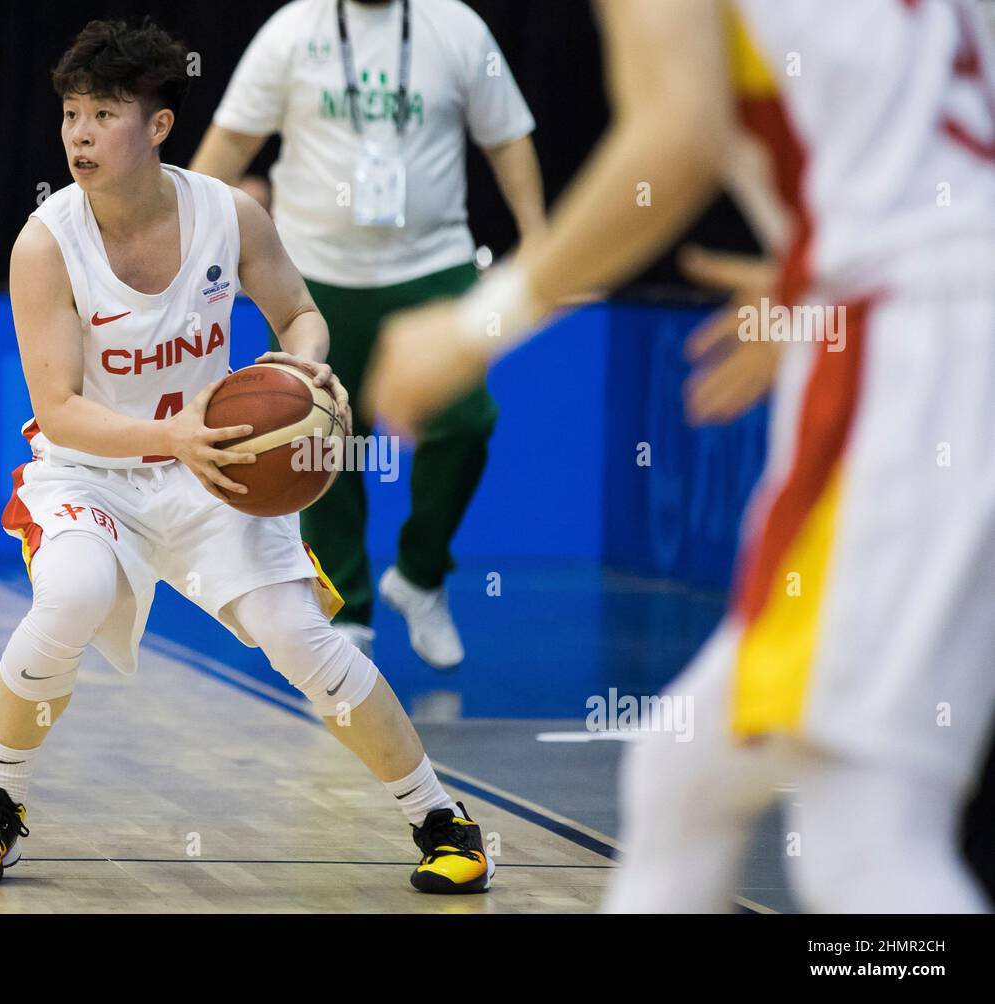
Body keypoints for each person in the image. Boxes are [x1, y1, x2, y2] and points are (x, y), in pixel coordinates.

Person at [367, 0, 995, 911]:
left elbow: (679, 133)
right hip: (920, 316)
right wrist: (812, 280)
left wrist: (473, 329)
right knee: (685, 774)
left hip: (921, 351)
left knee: (868, 836)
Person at [0, 19, 493, 895]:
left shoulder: (229, 214)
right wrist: (174, 437)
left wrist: (303, 371)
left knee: (298, 636)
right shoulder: (45, 244)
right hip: (96, 473)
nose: (79, 133)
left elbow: (301, 313)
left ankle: (440, 819)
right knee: (70, 595)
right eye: (71, 114)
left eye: (104, 113)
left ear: (157, 126)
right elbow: (60, 412)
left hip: (218, 470)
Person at [190, 0, 545, 668]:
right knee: (324, 435)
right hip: (314, 269)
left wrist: (539, 239)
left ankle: (419, 575)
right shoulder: (293, 30)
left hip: (433, 265)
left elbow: (507, 136)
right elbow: (232, 142)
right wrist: (189, 244)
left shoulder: (457, 26)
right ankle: (347, 611)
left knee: (467, 422)